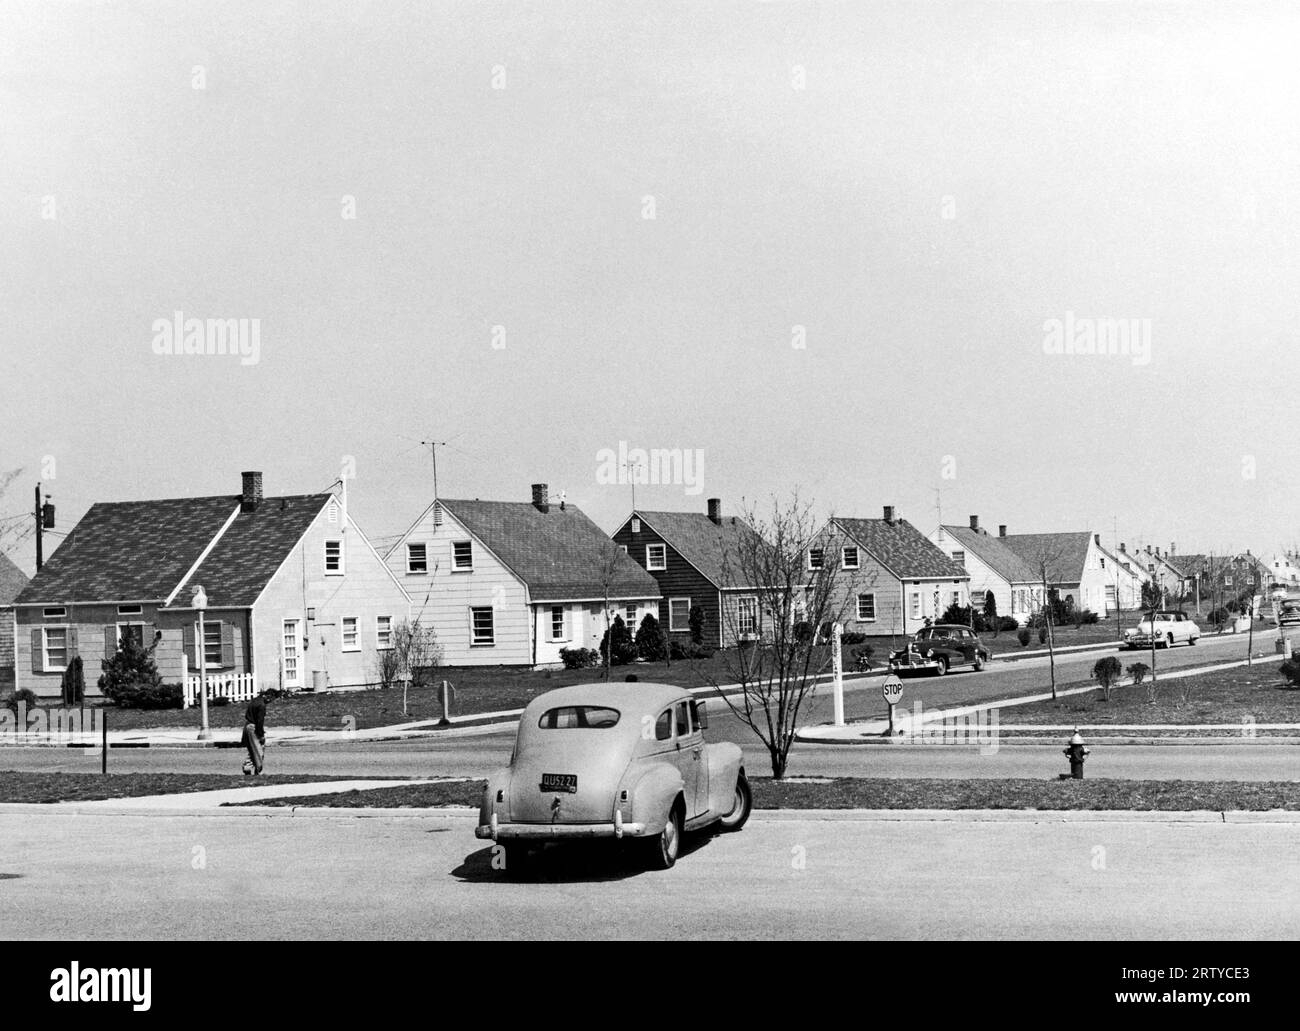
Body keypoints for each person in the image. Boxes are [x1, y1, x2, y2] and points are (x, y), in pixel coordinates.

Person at [242, 691, 269, 775]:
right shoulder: (262, 705)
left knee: (252, 749)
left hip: (247, 726)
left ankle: (248, 767)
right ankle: (257, 769)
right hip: (253, 728)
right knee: (259, 749)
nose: (269, 700)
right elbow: (260, 721)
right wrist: (261, 735)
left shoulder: (254, 701)